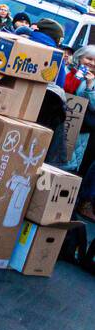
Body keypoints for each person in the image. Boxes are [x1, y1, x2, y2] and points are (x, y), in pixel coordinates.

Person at [60, 46, 95, 221]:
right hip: (63, 123)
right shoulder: (69, 71)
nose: (91, 63)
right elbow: (64, 90)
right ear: (80, 57)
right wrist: (76, 77)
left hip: (82, 131)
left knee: (73, 166)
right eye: (88, 59)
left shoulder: (93, 81)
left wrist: (90, 87)